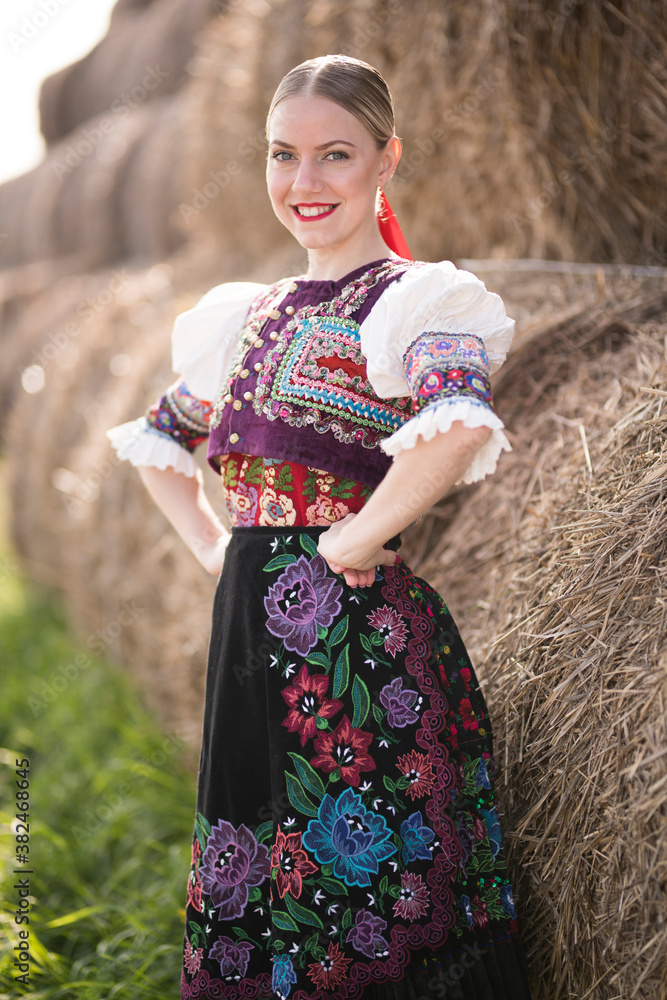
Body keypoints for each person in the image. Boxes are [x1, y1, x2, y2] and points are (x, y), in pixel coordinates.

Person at [107, 53, 532, 1000]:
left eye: (334, 154)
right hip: (247, 640)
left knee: (365, 890)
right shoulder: (242, 318)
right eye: (282, 154)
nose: (305, 180)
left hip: (356, 647)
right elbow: (158, 441)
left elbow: (459, 419)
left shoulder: (415, 301)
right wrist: (217, 550)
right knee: (261, 868)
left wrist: (356, 535)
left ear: (387, 159)